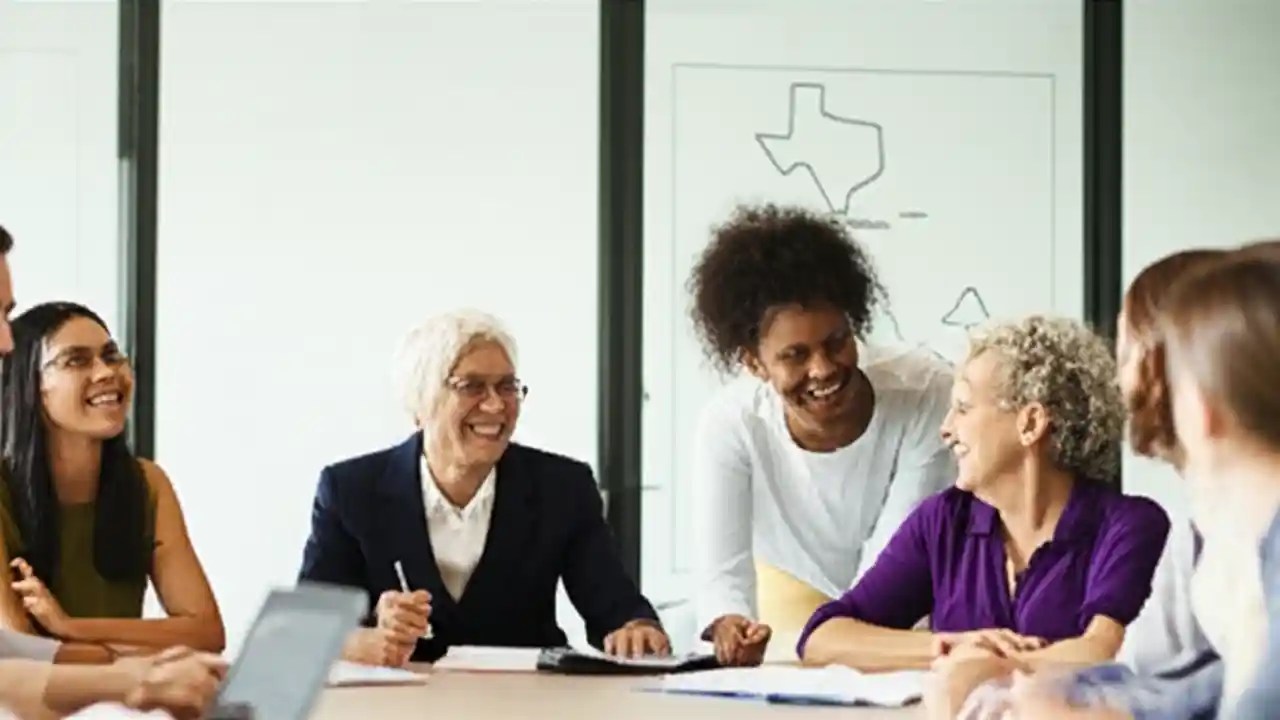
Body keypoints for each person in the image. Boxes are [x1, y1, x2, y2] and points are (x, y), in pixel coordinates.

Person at [797, 316, 1169, 707]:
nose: (946, 429)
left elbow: (1103, 651)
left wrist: (986, 668)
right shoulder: (941, 521)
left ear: (1030, 423)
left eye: (962, 407)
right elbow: (822, 638)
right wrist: (950, 647)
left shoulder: (1129, 526)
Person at [298, 308, 669, 665]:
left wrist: (636, 630)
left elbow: (615, 607)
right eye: (472, 386)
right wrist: (369, 640)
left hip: (526, 704)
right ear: (420, 402)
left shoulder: (563, 487)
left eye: (507, 386)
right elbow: (307, 629)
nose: (495, 405)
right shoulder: (351, 489)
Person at [687, 203, 957, 667]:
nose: (823, 369)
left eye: (836, 341)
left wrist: (844, 643)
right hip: (793, 609)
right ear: (753, 362)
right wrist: (730, 623)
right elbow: (722, 570)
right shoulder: (731, 424)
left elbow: (891, 564)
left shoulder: (926, 393)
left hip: (907, 614)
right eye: (795, 355)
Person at [0, 227, 225, 720]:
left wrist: (70, 627)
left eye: (111, 354)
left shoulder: (148, 484)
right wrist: (131, 657)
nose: (106, 373)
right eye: (76, 361)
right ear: (29, 389)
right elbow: (17, 652)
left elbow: (206, 631)